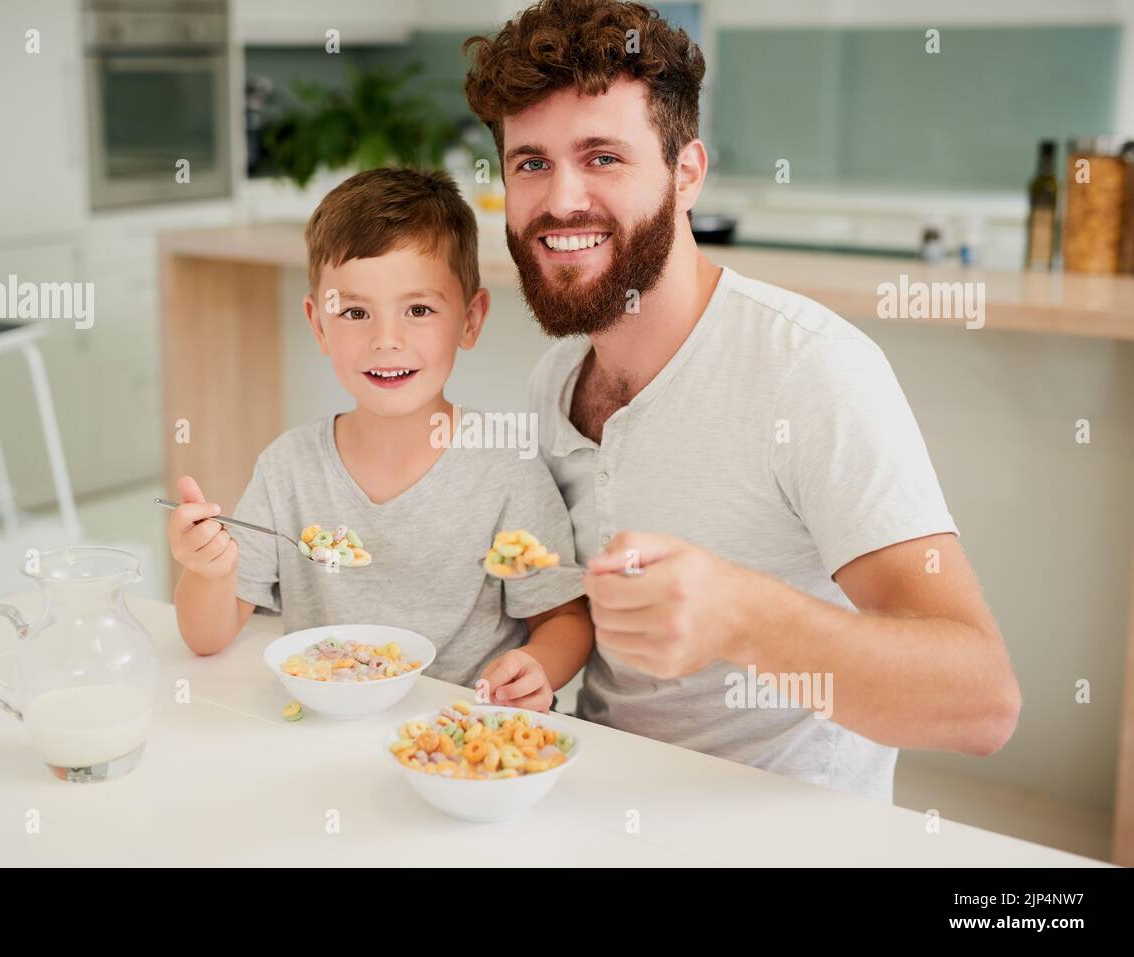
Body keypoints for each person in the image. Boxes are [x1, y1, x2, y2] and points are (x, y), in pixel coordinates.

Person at [462, 0, 1020, 800]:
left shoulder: (811, 371)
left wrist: (741, 616)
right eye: (531, 163)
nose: (560, 201)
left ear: (686, 174)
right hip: (596, 802)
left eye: (603, 158)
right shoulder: (553, 382)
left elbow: (983, 701)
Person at [166, 167, 592, 712]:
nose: (386, 340)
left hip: (456, 742)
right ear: (318, 324)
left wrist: (539, 669)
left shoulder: (508, 468)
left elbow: (562, 617)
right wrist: (207, 570)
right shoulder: (288, 469)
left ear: (470, 318)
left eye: (418, 310)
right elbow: (207, 637)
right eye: (355, 312)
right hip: (325, 737)